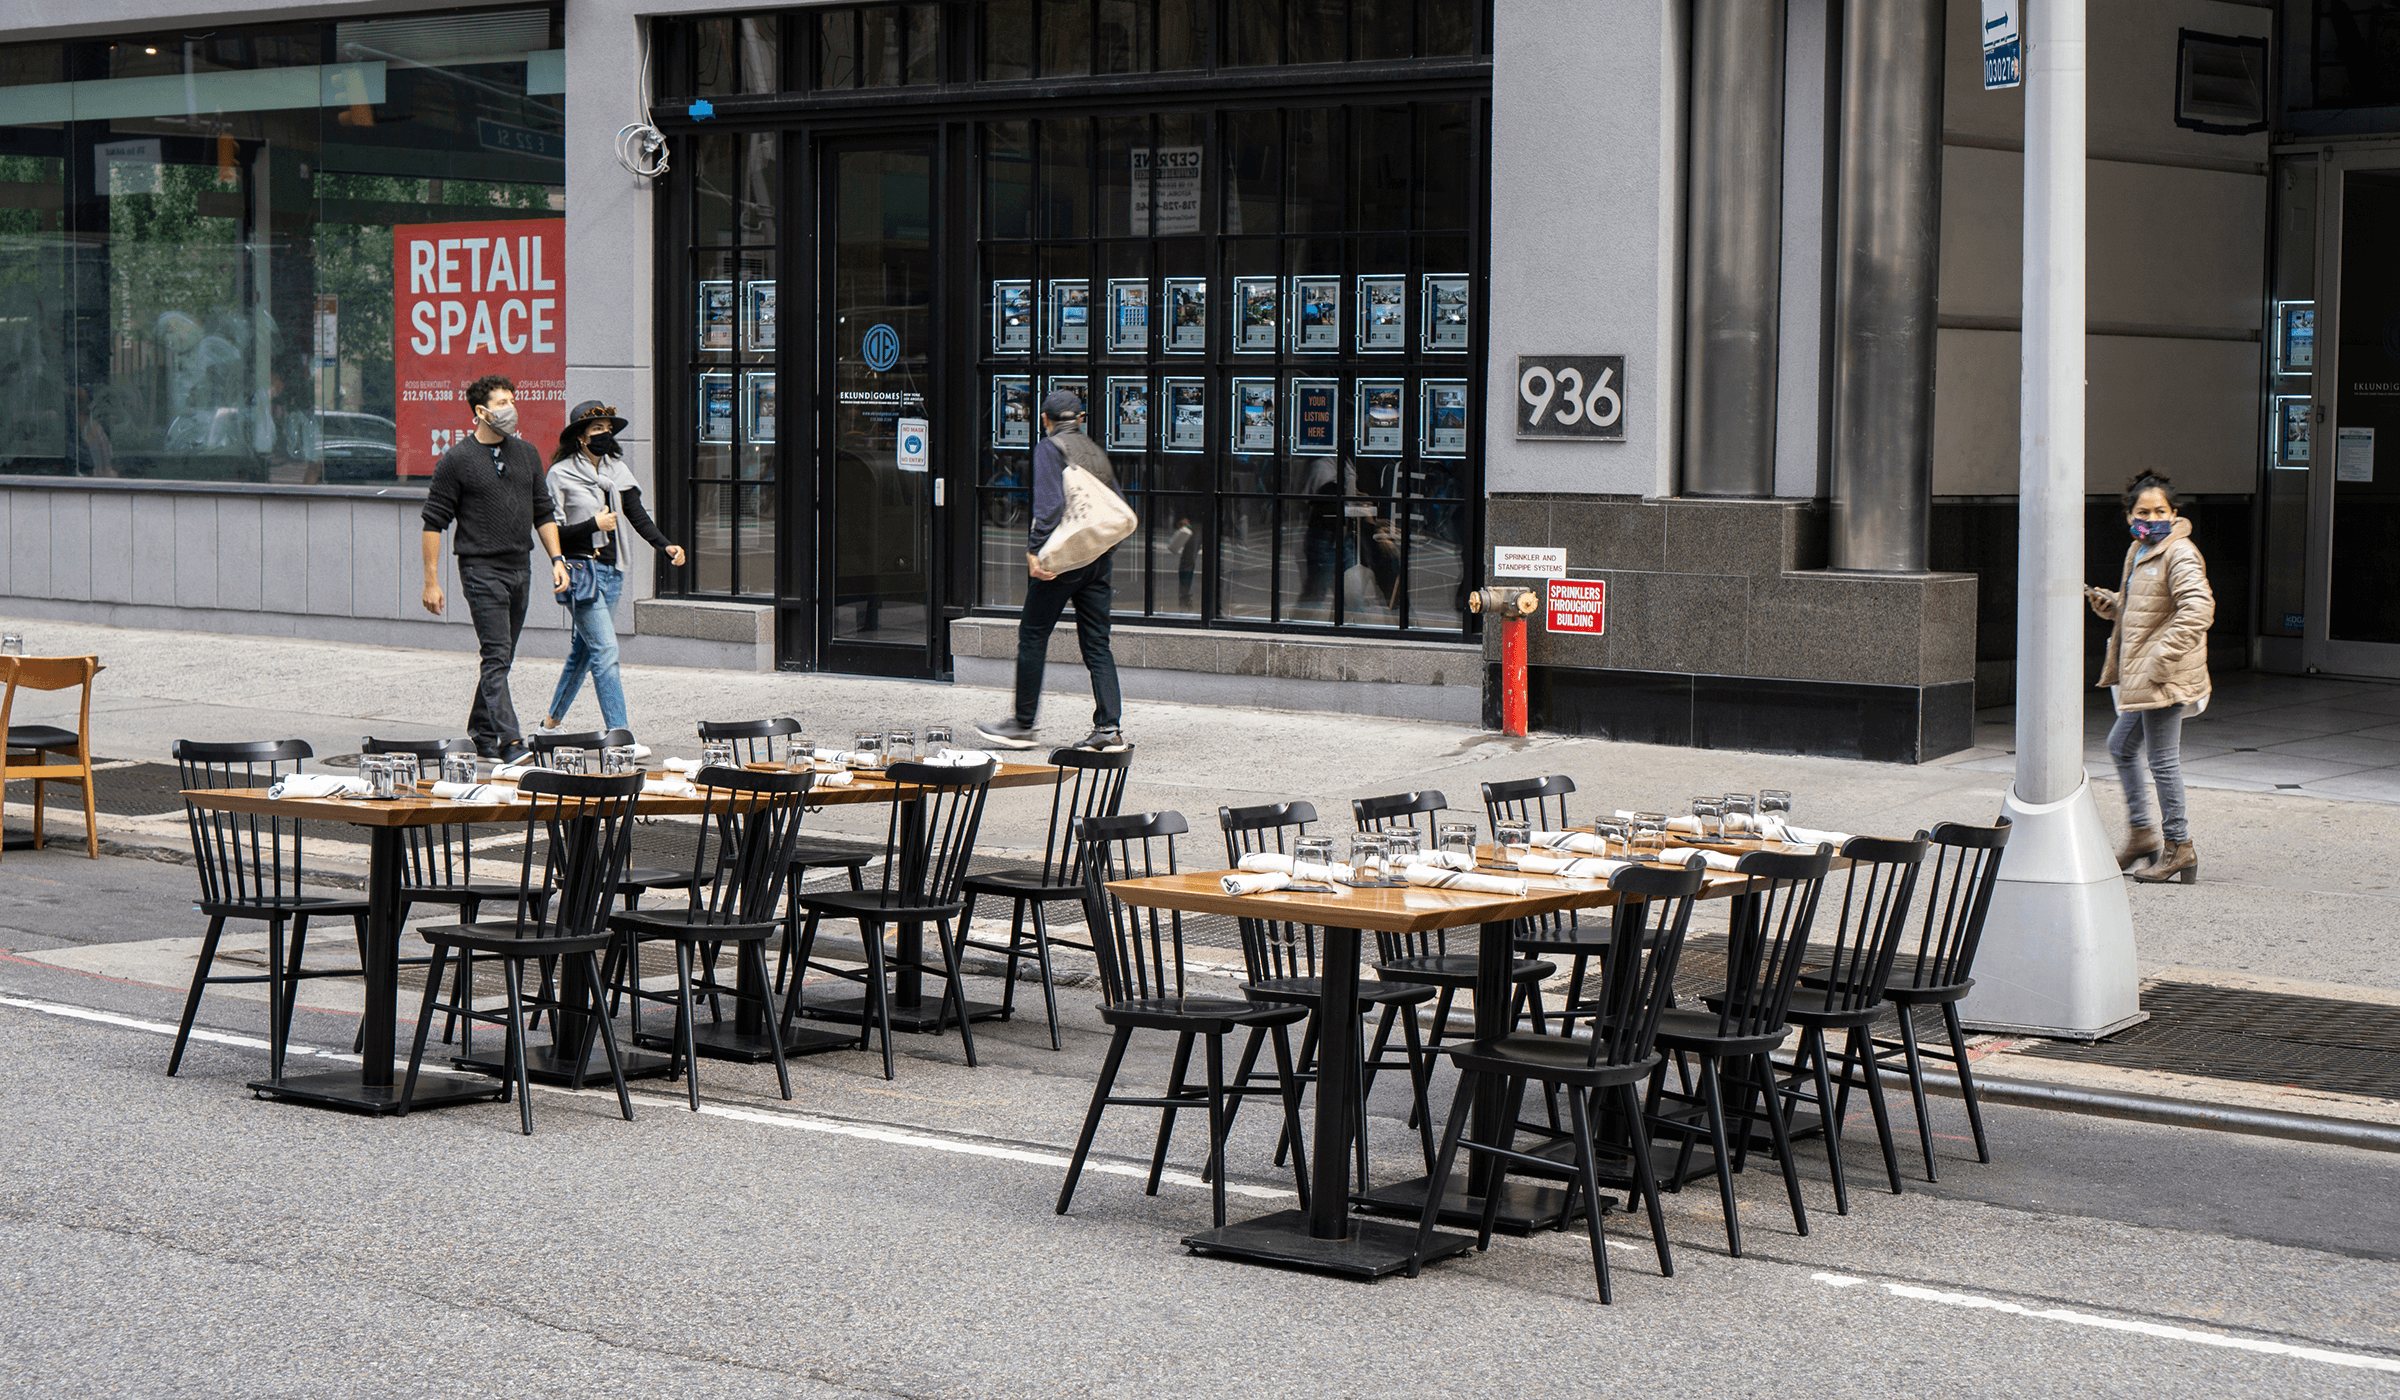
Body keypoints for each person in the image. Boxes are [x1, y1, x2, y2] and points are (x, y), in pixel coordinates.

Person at [419, 374, 569, 763]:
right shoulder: (456, 460)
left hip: (520, 566)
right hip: (480, 569)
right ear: (481, 412)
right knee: (497, 653)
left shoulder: (528, 453)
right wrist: (431, 581)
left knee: (502, 656)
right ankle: (509, 741)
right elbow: (433, 522)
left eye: (512, 401)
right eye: (502, 402)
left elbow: (543, 512)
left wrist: (557, 559)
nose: (511, 408)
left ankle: (482, 733)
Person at [977, 390, 1127, 752]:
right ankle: (1109, 729)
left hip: (1062, 562)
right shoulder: (1094, 450)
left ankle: (1022, 725)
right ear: (1081, 418)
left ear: (1045, 419)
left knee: (1033, 634)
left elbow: (1049, 506)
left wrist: (1035, 552)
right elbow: (1118, 507)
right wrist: (1103, 553)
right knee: (1097, 644)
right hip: (1097, 560)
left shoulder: (1049, 448)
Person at [2087, 470, 2214, 885]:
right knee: (2121, 746)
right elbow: (2147, 607)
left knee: (2162, 760)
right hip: (2148, 677)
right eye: (2143, 512)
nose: (2152, 518)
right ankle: (2142, 835)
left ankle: (2179, 846)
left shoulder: (2179, 552)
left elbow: (2198, 608)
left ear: (2174, 513)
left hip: (2164, 676)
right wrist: (2113, 606)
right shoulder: (2140, 550)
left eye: (2160, 511)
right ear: (2130, 516)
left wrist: (2162, 658)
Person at [540, 400, 687, 733]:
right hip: (581, 573)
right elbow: (553, 531)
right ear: (581, 436)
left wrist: (665, 545)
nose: (604, 435)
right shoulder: (560, 474)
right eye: (597, 429)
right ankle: (620, 737)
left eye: (608, 429)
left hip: (612, 572)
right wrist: (593, 524)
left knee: (584, 651)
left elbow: (637, 515)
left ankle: (550, 725)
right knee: (605, 651)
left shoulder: (617, 471)